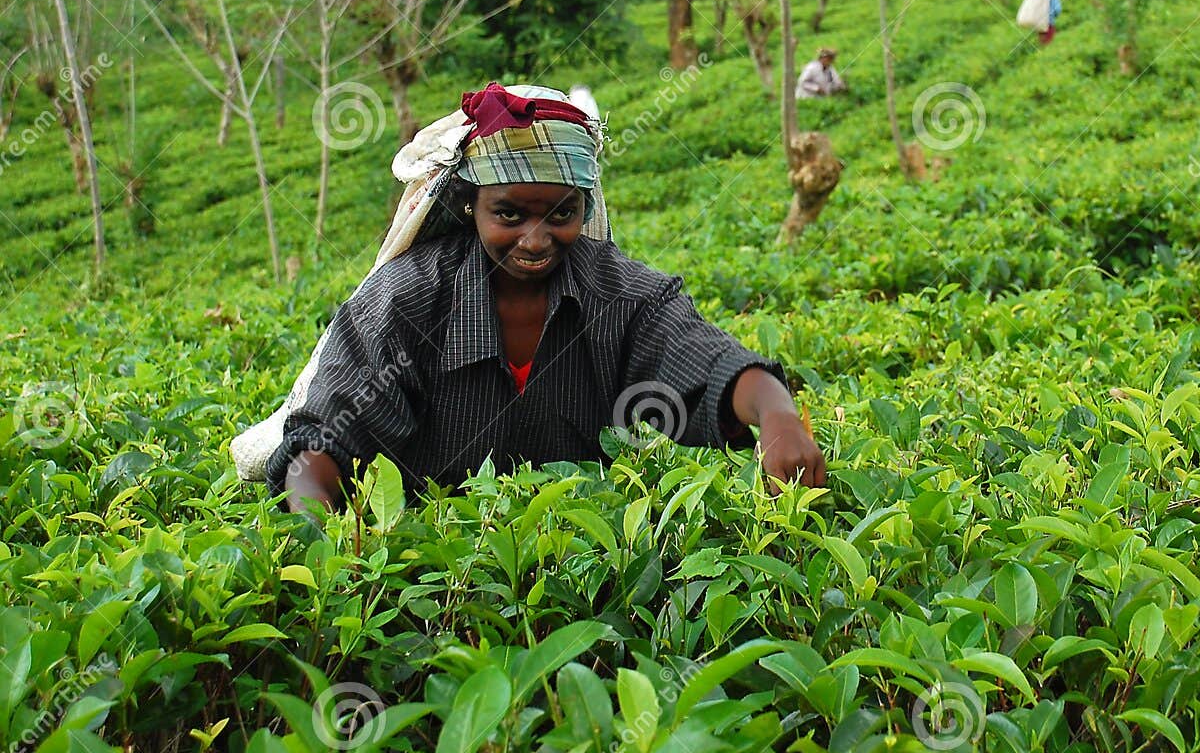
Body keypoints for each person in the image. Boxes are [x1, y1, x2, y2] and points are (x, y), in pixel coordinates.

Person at [264, 81, 825, 515]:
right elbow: (322, 443)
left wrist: (777, 416)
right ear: (470, 206)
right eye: (509, 214)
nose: (536, 241)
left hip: (579, 572)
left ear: (585, 205)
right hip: (431, 574)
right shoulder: (407, 300)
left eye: (561, 214)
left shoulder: (614, 292)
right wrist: (323, 537)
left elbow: (700, 357)